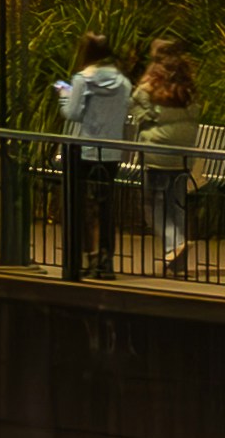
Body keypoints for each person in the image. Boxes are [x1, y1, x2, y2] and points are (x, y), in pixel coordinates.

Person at [50, 35, 142, 279]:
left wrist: (65, 94)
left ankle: (81, 258)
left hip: (84, 149)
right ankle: (105, 260)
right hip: (111, 151)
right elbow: (125, 111)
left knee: (79, 205)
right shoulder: (123, 82)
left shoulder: (83, 80)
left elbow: (73, 113)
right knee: (105, 205)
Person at [128, 39, 211, 269]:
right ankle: (176, 258)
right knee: (176, 204)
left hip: (158, 152)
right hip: (182, 153)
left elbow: (135, 102)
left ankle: (176, 243)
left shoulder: (153, 82)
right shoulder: (188, 84)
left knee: (152, 205)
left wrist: (148, 115)